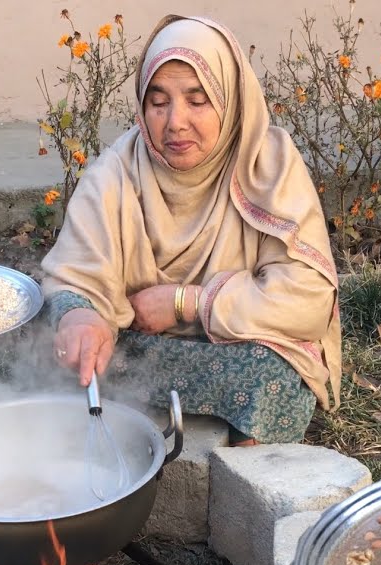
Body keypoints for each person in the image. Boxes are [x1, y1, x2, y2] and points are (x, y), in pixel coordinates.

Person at [43, 15, 342, 446]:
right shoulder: (117, 173)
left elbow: (307, 301)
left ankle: (243, 469)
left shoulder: (267, 165)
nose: (174, 122)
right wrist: (81, 317)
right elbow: (71, 277)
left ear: (230, 99)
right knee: (56, 344)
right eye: (158, 101)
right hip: (135, 347)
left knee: (274, 374)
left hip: (237, 349)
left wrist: (187, 303)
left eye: (197, 100)